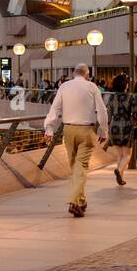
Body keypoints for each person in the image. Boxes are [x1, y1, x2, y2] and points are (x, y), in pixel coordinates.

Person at [43, 63, 110, 217]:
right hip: (87, 130)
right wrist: (104, 130)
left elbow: (55, 109)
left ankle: (81, 201)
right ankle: (74, 200)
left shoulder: (64, 87)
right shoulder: (92, 87)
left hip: (68, 130)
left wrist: (49, 128)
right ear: (87, 74)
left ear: (74, 73)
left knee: (75, 167)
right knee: (81, 166)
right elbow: (101, 110)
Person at [104, 74, 137, 186]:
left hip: (114, 125)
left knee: (120, 155)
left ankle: (121, 178)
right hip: (126, 126)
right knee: (127, 154)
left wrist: (108, 128)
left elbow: (108, 113)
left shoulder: (112, 97)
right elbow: (134, 114)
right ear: (125, 85)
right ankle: (119, 171)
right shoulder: (130, 96)